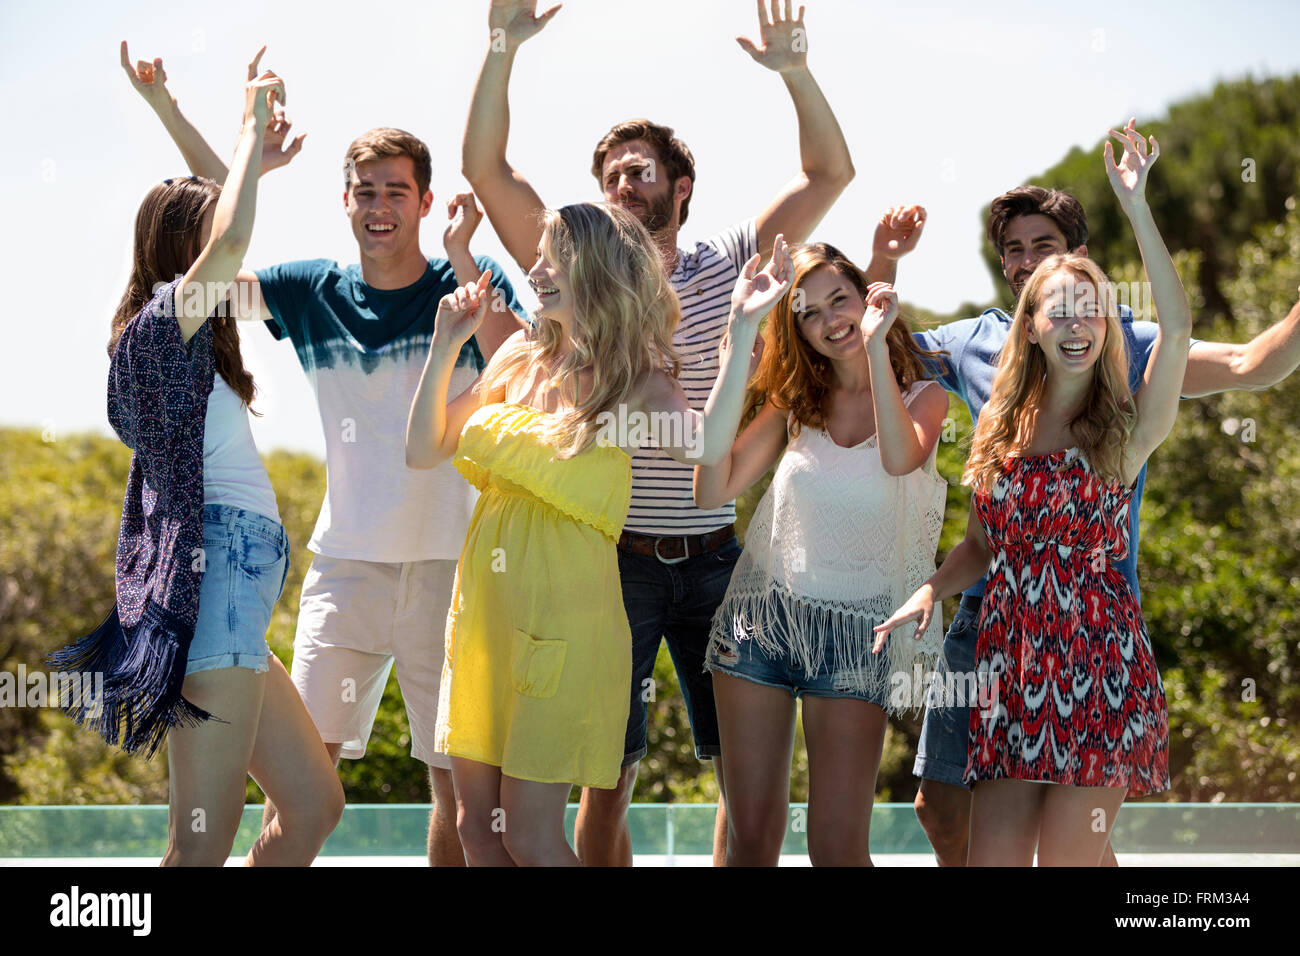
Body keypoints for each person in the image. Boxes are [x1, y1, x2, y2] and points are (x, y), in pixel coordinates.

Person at [463, 0, 916, 865]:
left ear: (680, 189)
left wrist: (792, 71)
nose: (621, 186)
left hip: (717, 557)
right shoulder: (578, 272)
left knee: (745, 794)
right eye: (610, 177)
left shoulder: (730, 261)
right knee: (606, 780)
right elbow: (486, 167)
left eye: (638, 172)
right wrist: (500, 47)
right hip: (612, 561)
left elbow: (831, 172)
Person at [123, 42, 528, 866]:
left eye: (397, 193)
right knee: (298, 790)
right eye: (366, 192)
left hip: (453, 567)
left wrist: (465, 266)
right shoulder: (312, 290)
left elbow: (523, 358)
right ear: (345, 201)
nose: (380, 207)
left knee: (452, 786)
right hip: (345, 567)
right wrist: (179, 116)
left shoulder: (470, 281)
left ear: (424, 203)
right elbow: (214, 237)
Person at [908, 131, 1300, 868]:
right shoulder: (978, 358)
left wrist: (1136, 202)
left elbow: (1249, 361)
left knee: (1072, 847)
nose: (1029, 259)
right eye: (1015, 248)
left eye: (1045, 243)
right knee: (951, 816)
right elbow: (862, 352)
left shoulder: (1124, 357)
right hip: (998, 636)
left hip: (1093, 631)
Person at [406, 203, 793, 865]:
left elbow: (706, 448)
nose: (534, 269)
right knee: (476, 827)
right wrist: (444, 347)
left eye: (551, 256)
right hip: (484, 613)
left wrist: (742, 326)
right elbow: (422, 449)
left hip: (566, 617)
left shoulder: (636, 378)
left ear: (594, 267)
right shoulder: (519, 353)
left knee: (528, 835)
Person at [50, 70, 344, 866]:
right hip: (214, 578)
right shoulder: (160, 325)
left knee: (314, 805)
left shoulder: (190, 328)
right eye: (208, 238)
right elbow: (233, 234)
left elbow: (223, 213)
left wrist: (180, 116)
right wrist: (250, 123)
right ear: (185, 252)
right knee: (199, 844)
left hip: (236, 588)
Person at [875, 123, 1186, 865]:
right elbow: (984, 544)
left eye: (1090, 309)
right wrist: (930, 589)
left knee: (1069, 860)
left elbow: (1176, 330)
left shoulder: (1125, 428)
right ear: (1034, 325)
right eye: (1060, 311)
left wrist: (1137, 207)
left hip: (1099, 663)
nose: (1076, 324)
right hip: (1008, 665)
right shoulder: (1000, 429)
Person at [693, 242, 948, 865]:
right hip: (762, 625)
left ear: (868, 297)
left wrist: (879, 348)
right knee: (750, 841)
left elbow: (897, 458)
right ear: (798, 330)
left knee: (834, 849)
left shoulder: (926, 398)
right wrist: (741, 325)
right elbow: (711, 488)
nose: (831, 319)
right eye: (808, 312)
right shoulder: (795, 405)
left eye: (842, 299)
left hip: (860, 636)